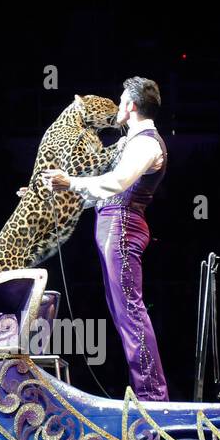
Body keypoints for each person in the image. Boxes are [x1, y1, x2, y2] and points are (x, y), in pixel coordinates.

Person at [42, 76, 170, 401]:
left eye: (122, 99)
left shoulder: (145, 143)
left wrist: (69, 181)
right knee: (123, 313)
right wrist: (56, 194)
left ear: (131, 105)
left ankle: (153, 397)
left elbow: (115, 183)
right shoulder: (133, 142)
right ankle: (148, 393)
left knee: (130, 311)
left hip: (123, 229)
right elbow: (102, 193)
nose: (119, 105)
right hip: (114, 226)